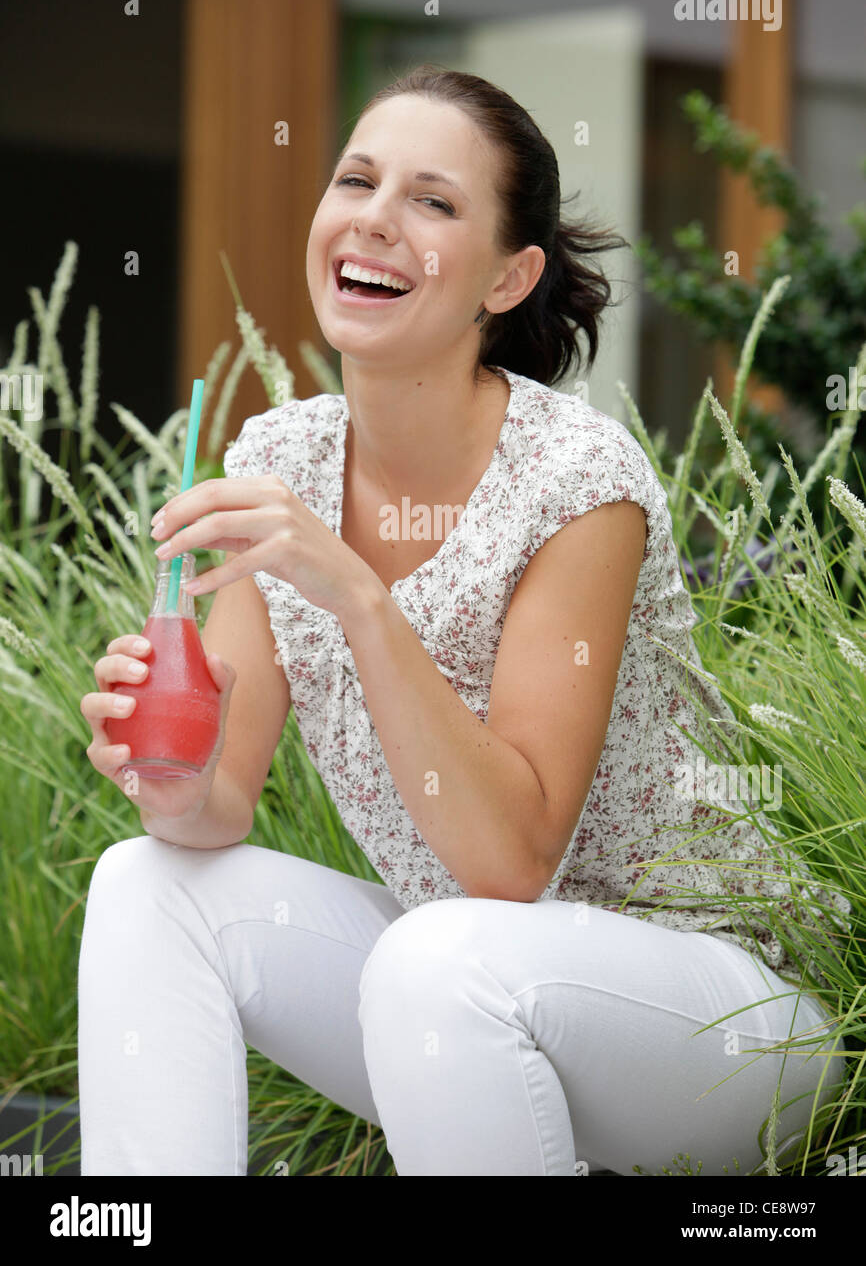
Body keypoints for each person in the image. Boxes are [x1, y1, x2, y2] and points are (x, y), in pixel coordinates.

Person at [78, 65, 851, 1177]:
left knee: (432, 955)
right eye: (356, 179)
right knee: (146, 880)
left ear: (507, 275)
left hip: (721, 1017)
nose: (374, 219)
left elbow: (507, 861)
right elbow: (219, 806)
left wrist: (355, 597)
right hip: (464, 995)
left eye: (431, 202)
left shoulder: (576, 479)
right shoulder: (279, 463)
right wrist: (166, 772)